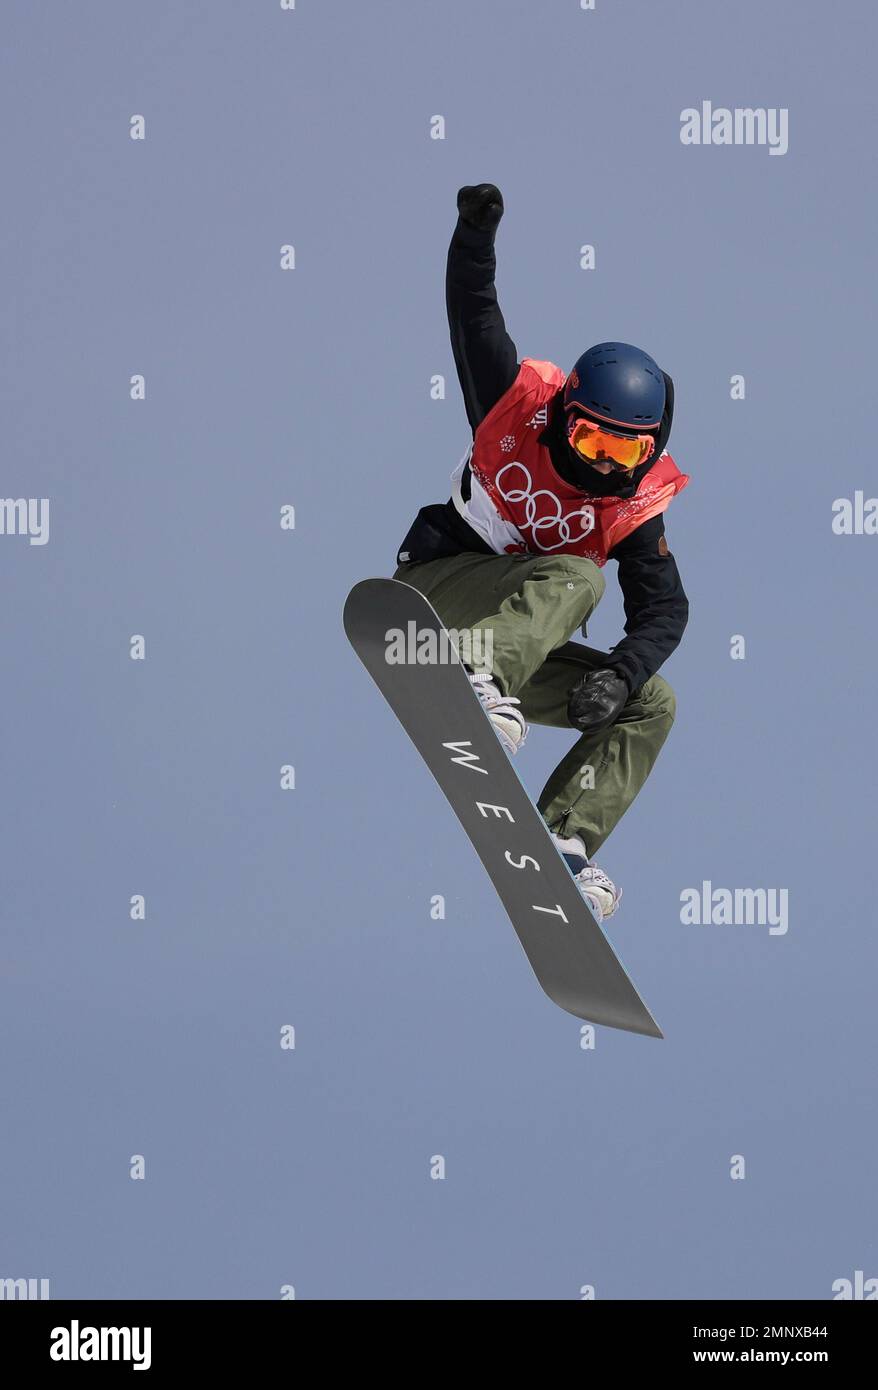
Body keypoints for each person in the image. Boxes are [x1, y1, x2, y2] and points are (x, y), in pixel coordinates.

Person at [394, 185, 690, 922]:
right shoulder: (514, 409)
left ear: (649, 451)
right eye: (591, 439)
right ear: (563, 417)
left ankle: (564, 840)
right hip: (436, 597)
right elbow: (473, 309)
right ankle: (474, 676)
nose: (602, 464)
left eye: (624, 451)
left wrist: (619, 679)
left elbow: (666, 609)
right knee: (578, 576)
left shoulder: (631, 505)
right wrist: (475, 233)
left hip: (515, 646)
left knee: (653, 704)